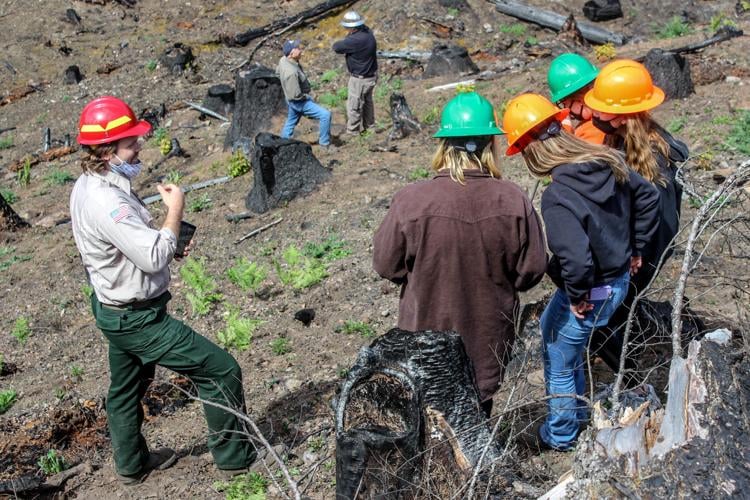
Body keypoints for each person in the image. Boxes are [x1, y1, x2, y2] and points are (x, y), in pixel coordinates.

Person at [70, 96, 257, 484]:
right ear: (106, 151)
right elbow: (153, 258)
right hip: (139, 318)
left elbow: (134, 248)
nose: (139, 146)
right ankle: (235, 458)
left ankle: (131, 465)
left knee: (125, 389)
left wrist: (167, 240)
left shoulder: (92, 185)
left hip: (113, 308)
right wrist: (175, 212)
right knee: (220, 370)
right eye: (130, 142)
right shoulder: (107, 201)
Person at [372, 91, 547, 418]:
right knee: (477, 415)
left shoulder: (412, 200)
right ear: (490, 145)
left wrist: (420, 275)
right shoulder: (512, 200)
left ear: (443, 145)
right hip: (487, 335)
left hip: (422, 336)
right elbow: (532, 270)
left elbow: (385, 263)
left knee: (424, 416)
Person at [503, 93, 659, 450]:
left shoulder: (558, 195)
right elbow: (648, 197)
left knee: (559, 360)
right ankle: (581, 413)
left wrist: (577, 295)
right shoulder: (608, 159)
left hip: (591, 290)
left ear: (531, 152)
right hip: (615, 282)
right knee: (552, 333)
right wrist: (637, 247)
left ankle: (561, 435)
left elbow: (576, 259)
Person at [584, 59, 688, 382]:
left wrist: (630, 255)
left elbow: (658, 221)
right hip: (631, 252)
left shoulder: (653, 160)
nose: (595, 115)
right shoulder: (633, 142)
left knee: (598, 319)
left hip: (637, 257)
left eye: (602, 110)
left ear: (620, 116)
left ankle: (631, 382)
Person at [277, 39, 333, 148]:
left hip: (290, 100)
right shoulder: (291, 73)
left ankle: (282, 143)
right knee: (325, 115)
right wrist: (308, 97)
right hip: (298, 101)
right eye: (297, 48)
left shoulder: (283, 60)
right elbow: (295, 95)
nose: (300, 50)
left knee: (291, 121)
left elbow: (277, 73)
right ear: (291, 54)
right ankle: (324, 144)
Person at [332, 11, 378, 135]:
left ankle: (353, 131)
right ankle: (370, 128)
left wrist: (348, 38)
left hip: (360, 79)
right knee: (368, 103)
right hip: (371, 75)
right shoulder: (367, 33)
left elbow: (336, 47)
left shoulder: (355, 40)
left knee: (354, 105)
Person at [547, 53, 605, 145]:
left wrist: (565, 136)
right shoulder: (615, 112)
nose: (566, 108)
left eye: (565, 103)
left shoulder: (590, 130)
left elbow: (576, 158)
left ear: (579, 100)